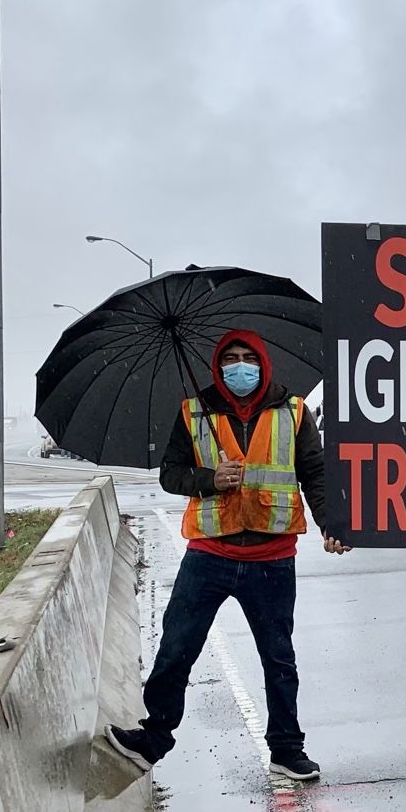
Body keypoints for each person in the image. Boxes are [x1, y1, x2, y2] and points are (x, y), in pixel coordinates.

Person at [107, 332, 350, 783]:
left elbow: (314, 473)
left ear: (264, 364)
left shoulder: (294, 413)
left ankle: (286, 749)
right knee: (176, 649)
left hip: (272, 556)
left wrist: (331, 524)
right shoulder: (192, 412)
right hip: (209, 554)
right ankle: (153, 739)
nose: (241, 368)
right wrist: (208, 477)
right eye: (231, 360)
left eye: (249, 359)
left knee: (278, 659)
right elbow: (170, 474)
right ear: (218, 368)